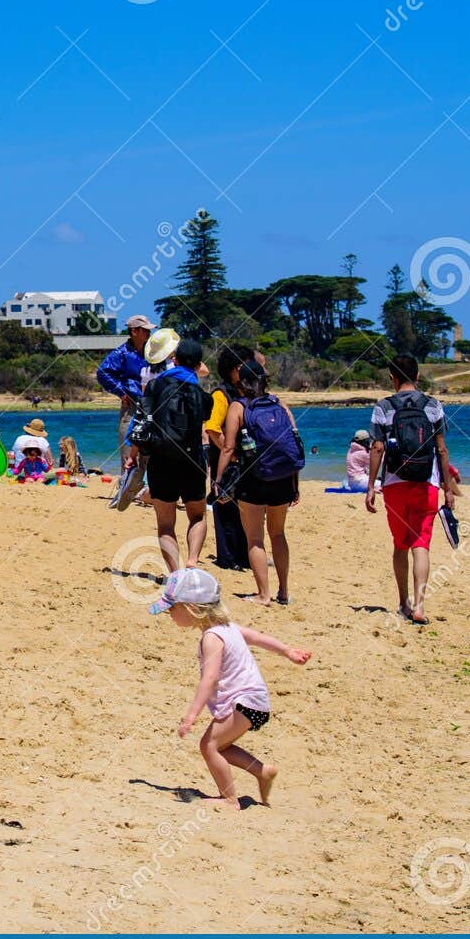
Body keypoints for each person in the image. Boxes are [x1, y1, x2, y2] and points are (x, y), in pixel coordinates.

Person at [152, 568, 311, 809]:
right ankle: (262, 771)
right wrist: (287, 651)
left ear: (192, 608)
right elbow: (257, 637)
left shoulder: (211, 637)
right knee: (222, 747)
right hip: (256, 703)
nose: (169, 614)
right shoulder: (229, 628)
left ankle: (229, 799)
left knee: (209, 746)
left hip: (244, 702)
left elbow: (210, 679)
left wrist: (191, 715)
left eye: (172, 608)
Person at [366, 355, 456, 625]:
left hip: (394, 484)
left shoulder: (384, 406)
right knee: (421, 543)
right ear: (417, 377)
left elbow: (377, 448)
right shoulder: (432, 405)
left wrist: (371, 485)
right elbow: (441, 448)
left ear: (392, 378)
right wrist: (447, 487)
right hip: (425, 483)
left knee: (399, 544)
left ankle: (403, 603)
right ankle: (420, 606)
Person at [215, 358, 301, 606]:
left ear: (240, 382)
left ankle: (263, 594)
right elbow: (293, 447)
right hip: (283, 479)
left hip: (253, 479)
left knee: (255, 538)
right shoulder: (280, 404)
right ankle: (283, 592)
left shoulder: (238, 407)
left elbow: (229, 447)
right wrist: (296, 484)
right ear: (264, 379)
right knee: (278, 534)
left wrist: (219, 478)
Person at [138, 336, 213, 572]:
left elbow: (143, 420)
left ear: (174, 359)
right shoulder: (203, 396)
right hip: (192, 459)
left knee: (166, 525)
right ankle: (192, 561)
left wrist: (133, 454)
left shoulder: (154, 386)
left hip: (161, 460)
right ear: (198, 364)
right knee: (198, 517)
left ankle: (175, 573)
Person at [205, 346, 253, 571]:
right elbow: (213, 428)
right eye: (242, 365)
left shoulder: (245, 391)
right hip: (225, 459)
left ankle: (244, 555)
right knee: (225, 506)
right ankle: (228, 558)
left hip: (243, 460)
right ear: (231, 369)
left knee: (245, 508)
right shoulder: (220, 394)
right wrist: (230, 451)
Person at [96, 314, 153, 473]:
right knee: (128, 451)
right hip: (132, 405)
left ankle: (147, 490)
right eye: (145, 330)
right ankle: (126, 489)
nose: (149, 334)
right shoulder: (121, 353)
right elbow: (103, 373)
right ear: (134, 331)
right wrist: (121, 392)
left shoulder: (153, 352)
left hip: (152, 406)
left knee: (151, 451)